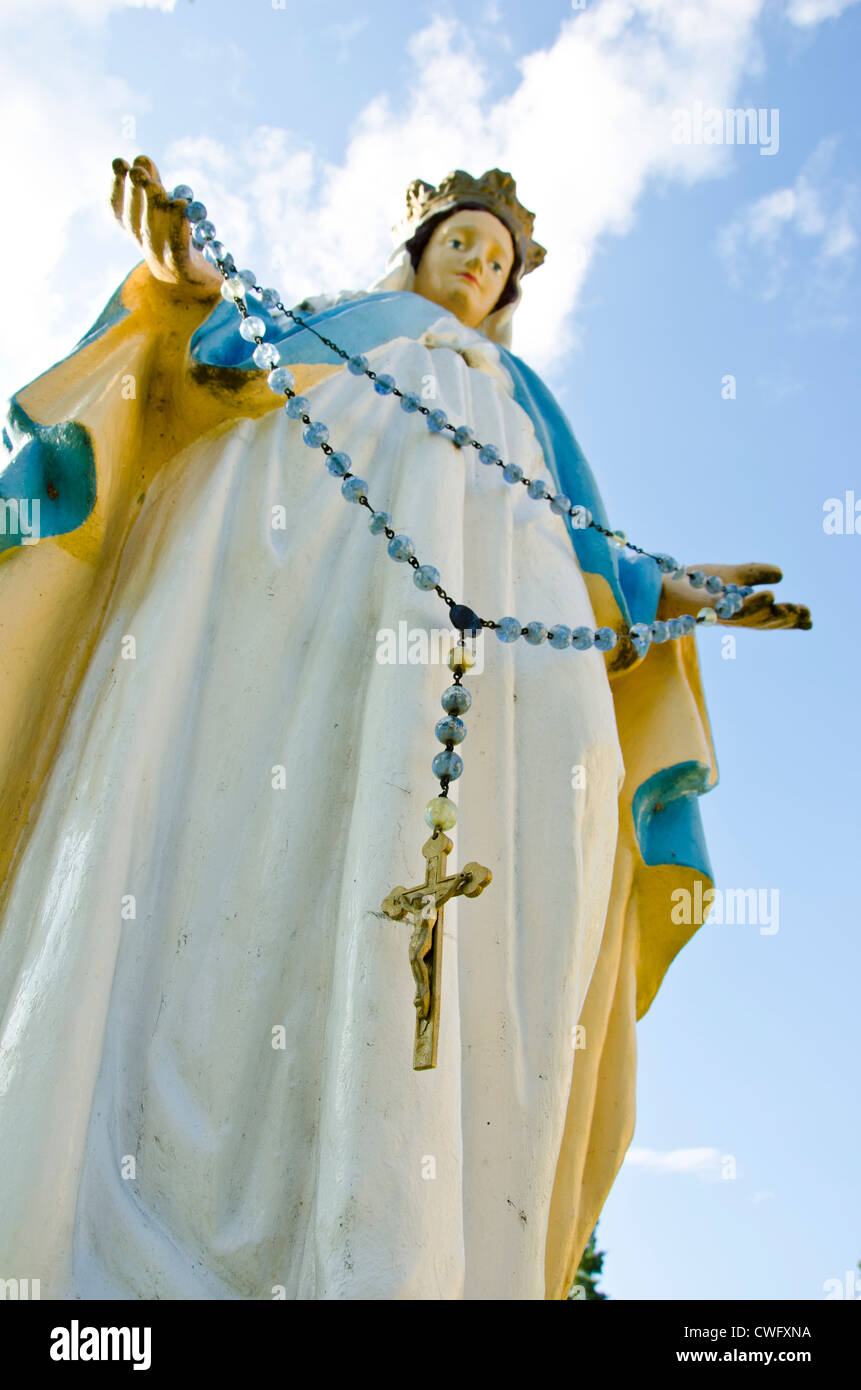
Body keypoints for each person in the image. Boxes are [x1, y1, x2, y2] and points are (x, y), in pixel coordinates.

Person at [0, 157, 810, 1301]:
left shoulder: (526, 413)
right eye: (461, 244)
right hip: (295, 599)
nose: (479, 269)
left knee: (498, 894)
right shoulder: (343, 325)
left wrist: (678, 589)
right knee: (242, 866)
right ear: (419, 245)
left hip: (490, 650)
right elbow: (204, 367)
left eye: (499, 260)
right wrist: (178, 279)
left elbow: (594, 558)